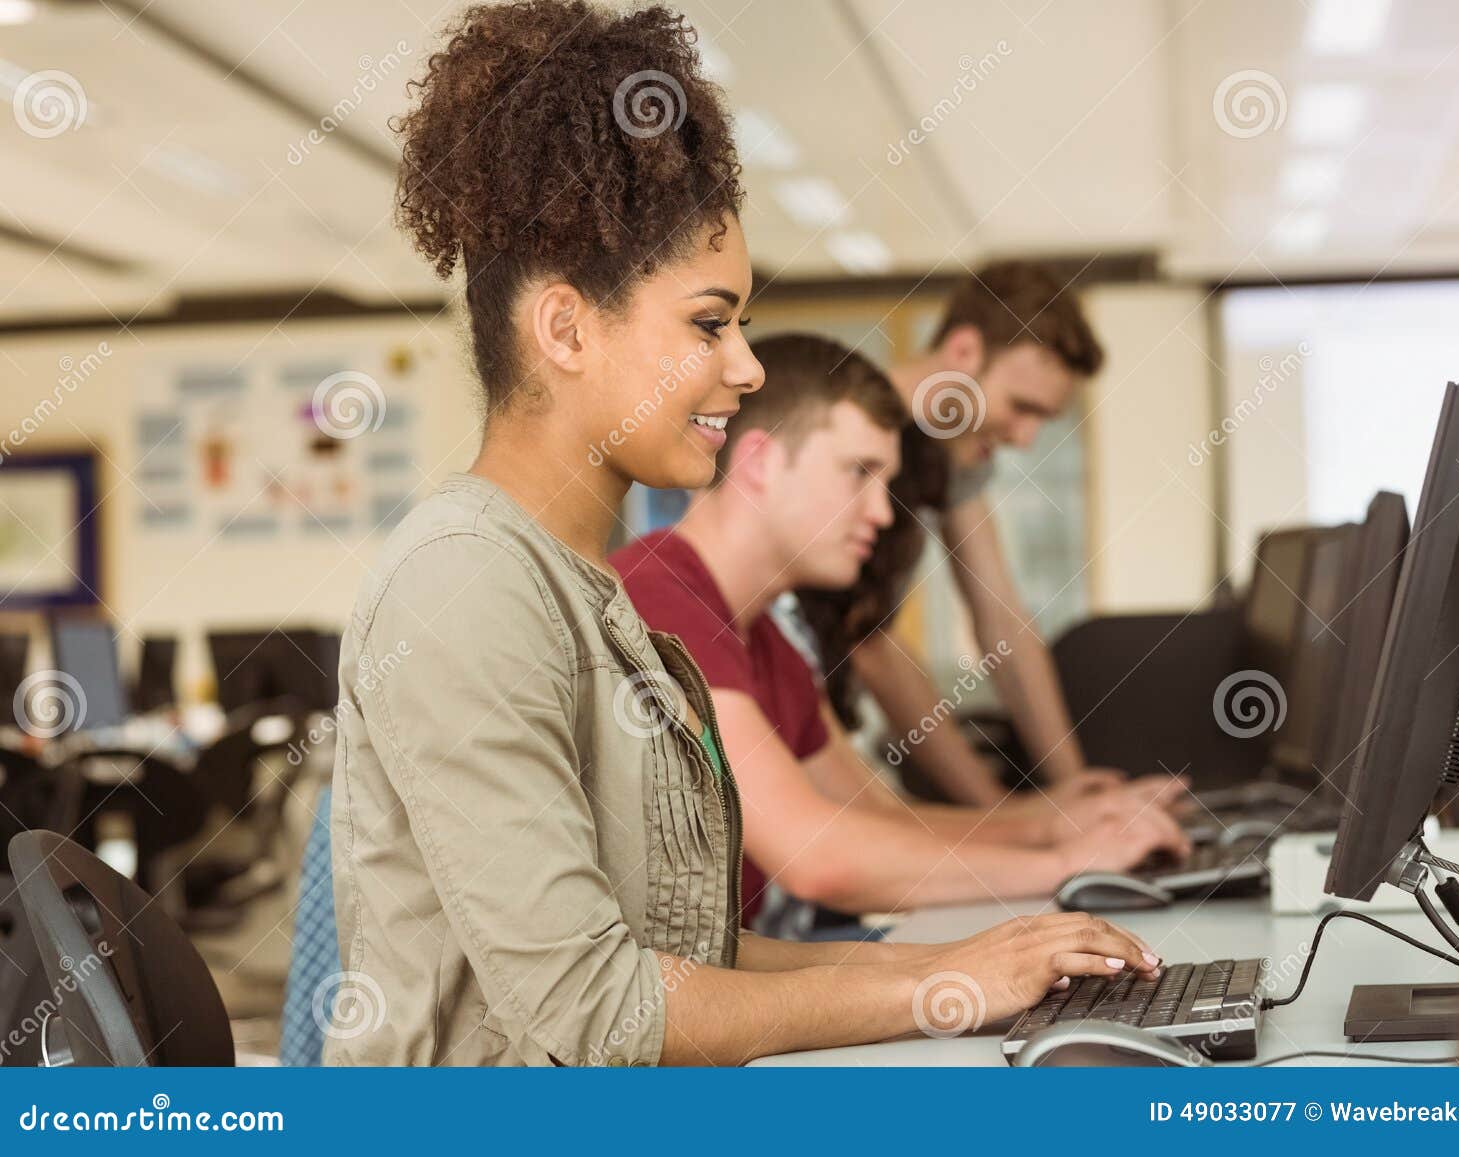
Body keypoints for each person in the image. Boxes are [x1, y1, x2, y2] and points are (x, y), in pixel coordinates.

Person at [326, 0, 1162, 1068]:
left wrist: (978, 963)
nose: (747, 368)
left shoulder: (592, 596)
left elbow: (690, 950)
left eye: (743, 327)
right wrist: (949, 980)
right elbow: (600, 1010)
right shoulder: (463, 585)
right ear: (567, 328)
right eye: (708, 323)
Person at [612, 332, 1190, 925]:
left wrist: (1051, 824)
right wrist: (1068, 862)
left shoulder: (768, 642)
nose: (883, 513)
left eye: (885, 483)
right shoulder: (658, 602)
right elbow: (820, 858)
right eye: (857, 473)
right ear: (759, 462)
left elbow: (874, 818)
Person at [851, 262, 1122, 806]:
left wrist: (1073, 789)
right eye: (1021, 407)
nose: (1024, 439)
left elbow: (1001, 616)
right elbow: (868, 643)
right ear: (964, 353)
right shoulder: (855, 436)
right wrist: (1001, 813)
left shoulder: (951, 455)